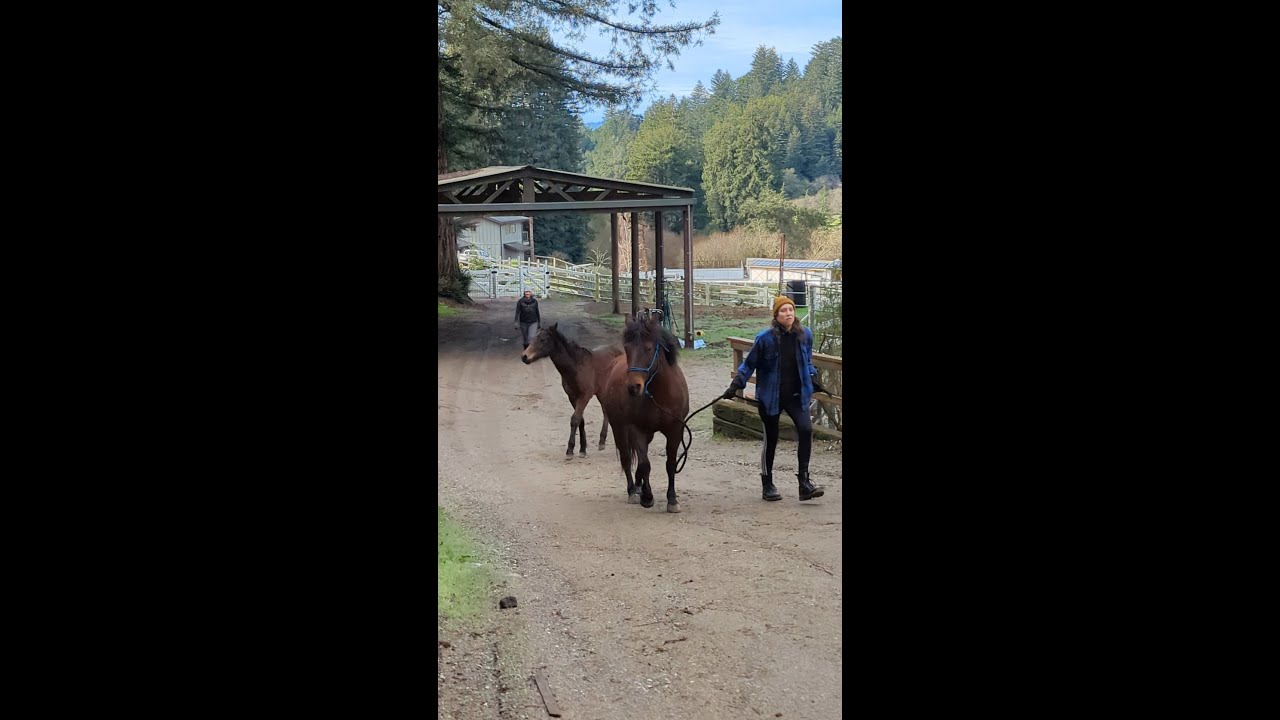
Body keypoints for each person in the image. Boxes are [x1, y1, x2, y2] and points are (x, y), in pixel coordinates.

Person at [721, 295, 829, 502]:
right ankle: (767, 483)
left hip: (797, 395)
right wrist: (736, 385)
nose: (788, 313)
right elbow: (748, 364)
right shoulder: (765, 339)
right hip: (771, 396)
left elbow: (807, 361)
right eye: (783, 311)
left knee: (806, 430)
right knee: (771, 439)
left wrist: (813, 375)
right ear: (776, 315)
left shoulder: (805, 334)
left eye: (791, 309)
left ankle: (804, 484)